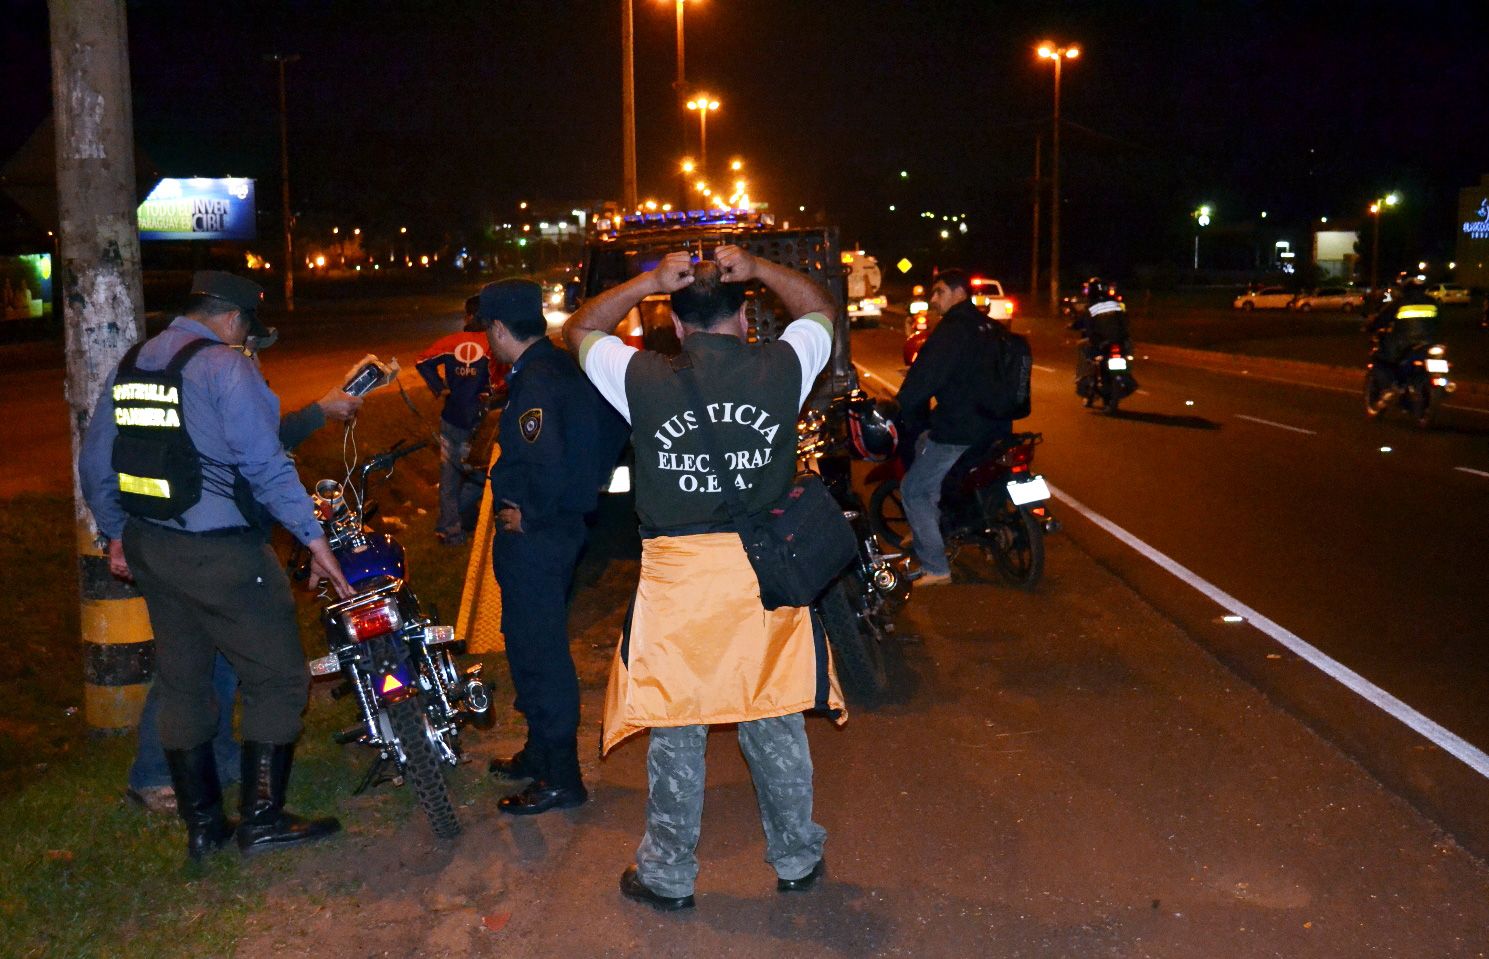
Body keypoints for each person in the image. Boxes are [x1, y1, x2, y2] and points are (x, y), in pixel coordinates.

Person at [564, 246, 846, 912]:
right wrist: (759, 266)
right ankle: (797, 858)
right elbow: (819, 312)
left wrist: (647, 282)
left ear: (678, 325)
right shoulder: (783, 366)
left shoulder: (639, 375)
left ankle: (668, 873)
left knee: (677, 724)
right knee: (773, 716)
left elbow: (576, 329)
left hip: (679, 583)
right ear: (745, 317)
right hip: (765, 572)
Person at [79, 271, 353, 863]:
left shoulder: (133, 362)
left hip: (154, 547)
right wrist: (316, 542)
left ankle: (204, 827)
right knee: (279, 678)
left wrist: (115, 533)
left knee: (183, 680)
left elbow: (96, 459)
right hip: (222, 553)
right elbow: (267, 466)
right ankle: (262, 819)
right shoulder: (227, 367)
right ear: (234, 320)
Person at [124, 350, 364, 815]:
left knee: (205, 667)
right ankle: (167, 780)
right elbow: (259, 450)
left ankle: (210, 797)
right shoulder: (215, 372)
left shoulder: (172, 370)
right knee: (236, 674)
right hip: (212, 544)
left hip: (170, 538)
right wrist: (314, 538)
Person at [476, 278, 626, 815]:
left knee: (540, 654)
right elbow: (607, 432)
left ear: (498, 329)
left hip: (537, 538)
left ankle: (563, 777)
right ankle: (539, 753)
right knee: (525, 643)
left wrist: (535, 511)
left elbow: (546, 460)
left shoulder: (537, 380)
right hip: (556, 532)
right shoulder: (562, 365)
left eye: (486, 332)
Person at [895, 269, 1015, 586]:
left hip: (961, 428)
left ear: (957, 292)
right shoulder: (989, 326)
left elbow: (924, 377)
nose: (933, 300)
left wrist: (901, 405)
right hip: (998, 426)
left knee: (913, 490)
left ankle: (936, 567)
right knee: (927, 446)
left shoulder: (952, 331)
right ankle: (947, 527)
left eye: (938, 292)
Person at [416, 296, 509, 546]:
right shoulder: (494, 346)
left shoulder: (450, 342)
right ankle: (460, 517)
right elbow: (502, 381)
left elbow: (422, 361)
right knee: (480, 476)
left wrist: (439, 387)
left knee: (449, 475)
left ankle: (449, 530)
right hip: (482, 422)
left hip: (451, 417)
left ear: (467, 317)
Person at [1365, 277, 1440, 404]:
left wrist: (1371, 326)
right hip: (1430, 342)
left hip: (1405, 343)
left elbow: (1382, 318)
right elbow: (1441, 321)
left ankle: (1391, 387)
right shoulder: (1433, 302)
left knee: (1382, 357)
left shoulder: (1400, 302)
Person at [1069, 281, 1131, 404]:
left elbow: (1086, 324)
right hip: (1119, 341)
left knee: (1082, 348)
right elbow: (1125, 321)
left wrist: (1073, 325)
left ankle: (1084, 377)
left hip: (1102, 342)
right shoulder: (1116, 304)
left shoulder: (1092, 307)